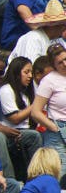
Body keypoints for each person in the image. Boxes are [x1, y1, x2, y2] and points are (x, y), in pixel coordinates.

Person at [32, 44, 66, 175]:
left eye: (65, 59)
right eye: (60, 62)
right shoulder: (49, 80)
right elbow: (35, 112)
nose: (64, 64)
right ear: (54, 65)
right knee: (60, 172)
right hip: (58, 130)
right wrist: (53, 127)